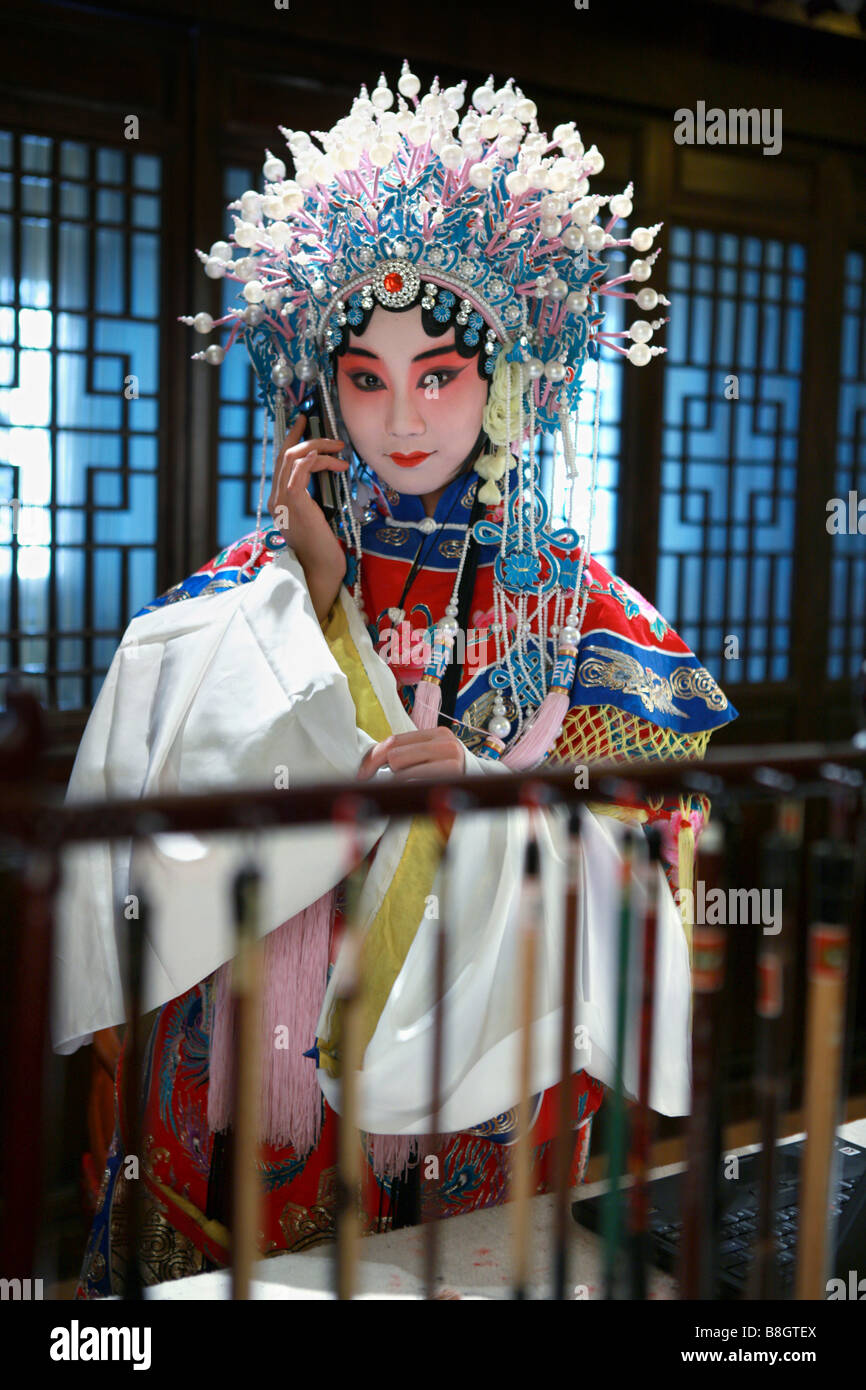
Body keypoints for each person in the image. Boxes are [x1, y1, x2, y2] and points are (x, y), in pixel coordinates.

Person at [55, 64, 738, 1296]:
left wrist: (492, 790)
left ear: (513, 378)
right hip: (255, 1015)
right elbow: (151, 777)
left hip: (472, 1038)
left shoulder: (575, 601)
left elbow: (661, 828)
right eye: (364, 378)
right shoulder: (264, 572)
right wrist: (305, 597)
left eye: (440, 374)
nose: (402, 420)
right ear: (322, 388)